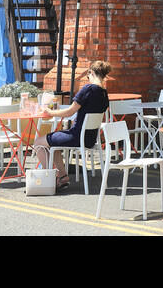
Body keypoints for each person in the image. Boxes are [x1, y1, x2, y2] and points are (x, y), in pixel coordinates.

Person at [34, 60, 111, 191]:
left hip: (76, 136)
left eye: (87, 77)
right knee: (54, 144)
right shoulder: (104, 93)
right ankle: (63, 177)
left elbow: (70, 111)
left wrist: (51, 112)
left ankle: (52, 179)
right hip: (90, 139)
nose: (87, 79)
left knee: (39, 142)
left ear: (90, 73)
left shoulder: (88, 89)